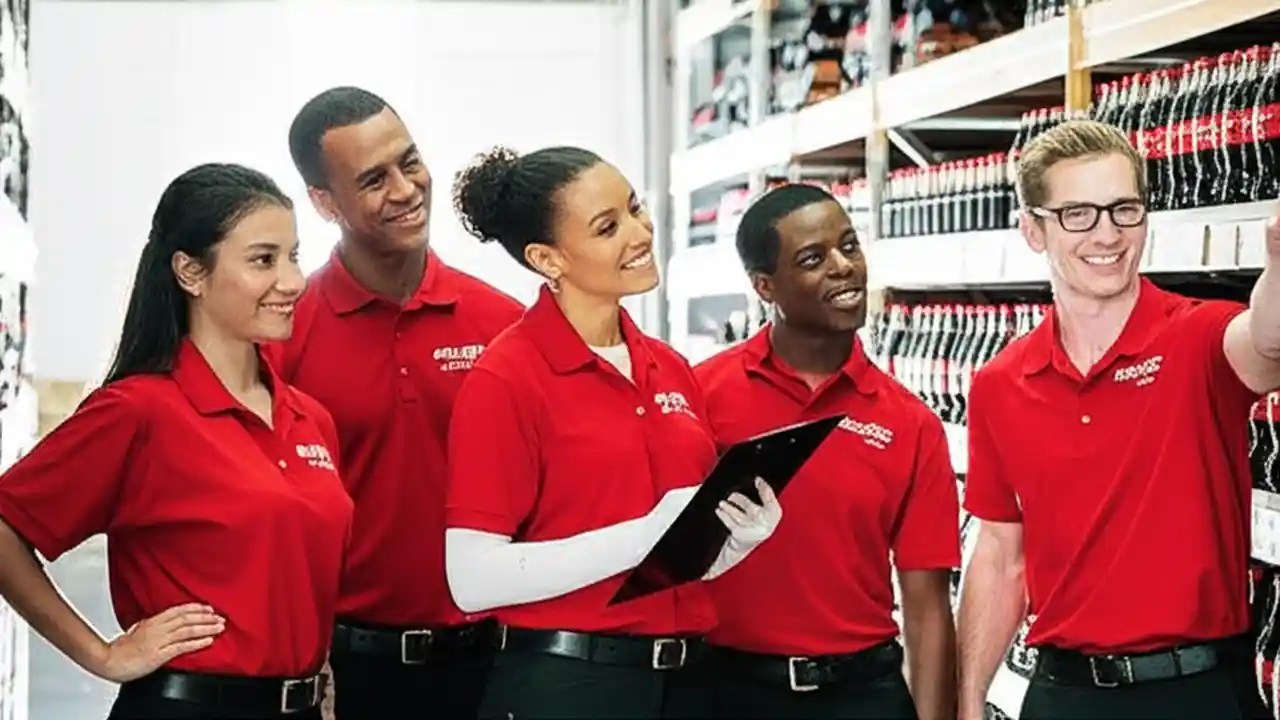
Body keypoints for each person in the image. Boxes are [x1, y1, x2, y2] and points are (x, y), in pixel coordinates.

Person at [0, 163, 352, 719]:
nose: (292, 281)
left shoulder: (311, 419)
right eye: (263, 260)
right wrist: (102, 654)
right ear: (191, 272)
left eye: (293, 256)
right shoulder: (138, 412)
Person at [443, 144, 783, 719]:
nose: (640, 232)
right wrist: (644, 534)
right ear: (547, 259)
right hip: (569, 686)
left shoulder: (669, 367)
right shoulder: (507, 377)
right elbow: (472, 579)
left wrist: (732, 542)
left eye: (634, 208)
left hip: (687, 682)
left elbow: (670, 558)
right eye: (607, 227)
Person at [957, 118, 1279, 720]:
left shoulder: (1197, 338)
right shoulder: (1000, 384)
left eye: (1124, 210)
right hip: (1063, 696)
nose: (1107, 234)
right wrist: (967, 698)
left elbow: (1267, 340)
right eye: (1077, 214)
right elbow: (1000, 554)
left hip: (1199, 693)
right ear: (1032, 230)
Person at [271, 87, 522, 718]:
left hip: (495, 666)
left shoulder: (503, 323)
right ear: (324, 202)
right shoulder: (283, 335)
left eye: (410, 162)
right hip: (350, 674)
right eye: (373, 179)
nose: (406, 190)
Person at [692, 183, 959, 720]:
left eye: (849, 246)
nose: (844, 267)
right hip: (724, 691)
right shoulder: (702, 396)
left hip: (862, 695)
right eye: (813, 259)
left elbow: (928, 608)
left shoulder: (910, 423)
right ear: (764, 286)